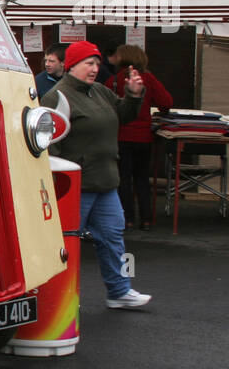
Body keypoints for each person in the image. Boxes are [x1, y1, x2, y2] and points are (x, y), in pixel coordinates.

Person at [41, 40, 153, 309]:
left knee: (113, 236)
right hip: (75, 186)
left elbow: (124, 115)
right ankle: (59, 298)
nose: (94, 69)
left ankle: (118, 291)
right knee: (67, 243)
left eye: (97, 64)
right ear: (72, 65)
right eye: (88, 63)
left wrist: (134, 95)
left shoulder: (100, 91)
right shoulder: (57, 97)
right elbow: (49, 144)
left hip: (105, 181)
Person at [105, 44, 172, 230]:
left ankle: (127, 218)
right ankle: (147, 219)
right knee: (142, 179)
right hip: (144, 138)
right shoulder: (148, 79)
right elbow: (166, 102)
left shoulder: (115, 80)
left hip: (121, 137)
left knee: (123, 179)